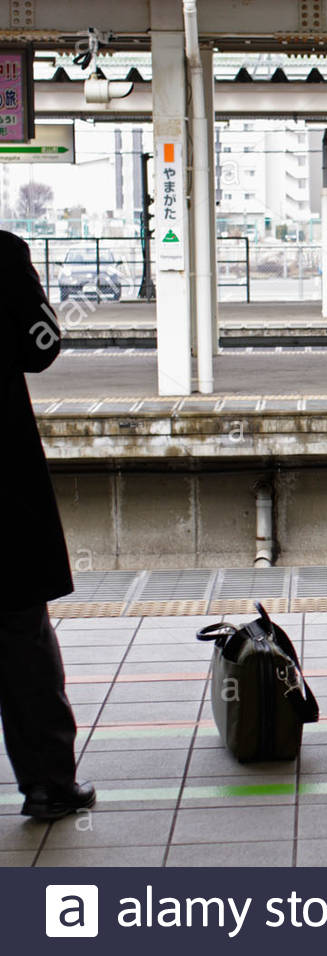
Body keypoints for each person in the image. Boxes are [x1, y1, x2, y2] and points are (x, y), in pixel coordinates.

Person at [0, 230, 95, 820]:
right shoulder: (2, 255)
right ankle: (47, 783)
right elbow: (42, 346)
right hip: (0, 481)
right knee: (19, 634)